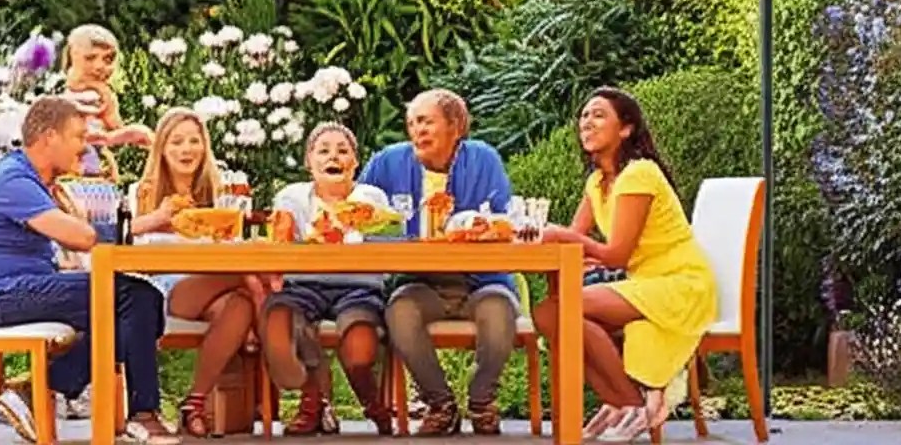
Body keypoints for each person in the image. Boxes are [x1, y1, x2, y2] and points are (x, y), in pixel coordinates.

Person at [0, 96, 178, 444]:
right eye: (79, 137)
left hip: (15, 288)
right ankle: (142, 414)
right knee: (137, 297)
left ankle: (38, 387)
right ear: (48, 137)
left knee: (137, 310)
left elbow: (76, 240)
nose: (85, 149)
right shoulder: (12, 181)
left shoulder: (29, 179)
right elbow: (83, 237)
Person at [533, 87, 717, 440]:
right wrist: (567, 242)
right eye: (584, 116)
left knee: (566, 308)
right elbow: (575, 236)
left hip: (681, 284)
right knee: (548, 313)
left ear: (626, 129)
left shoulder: (639, 174)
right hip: (644, 283)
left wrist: (568, 239)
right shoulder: (598, 182)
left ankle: (633, 403)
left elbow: (615, 254)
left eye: (599, 115)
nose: (587, 122)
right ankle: (621, 400)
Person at [359, 88, 517, 436]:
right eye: (413, 123)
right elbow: (357, 209)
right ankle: (440, 404)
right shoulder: (389, 161)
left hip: (480, 280)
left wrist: (478, 226)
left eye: (427, 121)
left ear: (456, 126)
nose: (418, 130)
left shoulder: (484, 159)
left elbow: (503, 216)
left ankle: (481, 399)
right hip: (423, 283)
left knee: (500, 312)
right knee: (400, 310)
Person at [126, 107, 273, 437]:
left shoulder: (217, 194)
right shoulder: (144, 191)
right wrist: (159, 217)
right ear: (162, 148)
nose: (186, 149)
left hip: (214, 285)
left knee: (240, 305)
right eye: (177, 142)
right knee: (249, 274)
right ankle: (263, 298)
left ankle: (194, 402)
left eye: (194, 141)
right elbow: (126, 235)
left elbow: (230, 242)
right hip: (163, 287)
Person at [261, 122, 394, 436]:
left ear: (355, 162)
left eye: (342, 150)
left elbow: (388, 249)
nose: (333, 156)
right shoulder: (290, 198)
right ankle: (313, 400)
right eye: (323, 151)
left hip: (359, 288)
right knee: (278, 325)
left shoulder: (371, 199)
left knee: (359, 352)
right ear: (309, 162)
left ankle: (374, 404)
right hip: (303, 286)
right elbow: (280, 247)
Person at [60, 23, 153, 179]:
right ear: (72, 56)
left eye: (108, 59)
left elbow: (114, 127)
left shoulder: (104, 95)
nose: (99, 66)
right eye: (90, 58)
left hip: (97, 167)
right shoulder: (60, 94)